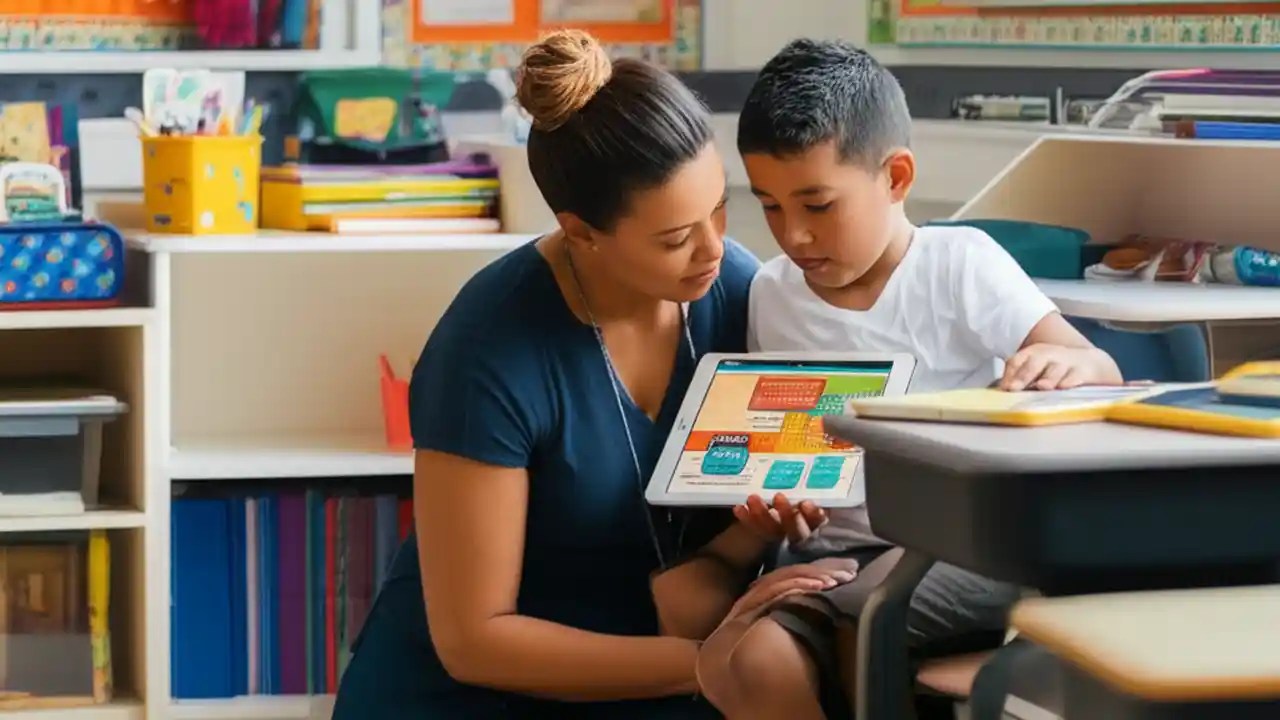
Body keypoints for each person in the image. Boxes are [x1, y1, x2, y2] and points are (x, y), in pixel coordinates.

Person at [332, 30, 857, 719]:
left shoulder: (735, 289)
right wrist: (706, 660)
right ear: (581, 232)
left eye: (720, 210)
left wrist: (767, 524)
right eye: (674, 237)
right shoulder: (488, 349)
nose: (713, 248)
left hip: (676, 671)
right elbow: (474, 641)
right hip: (480, 693)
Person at [695, 39, 1123, 720]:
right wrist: (787, 507)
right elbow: (794, 449)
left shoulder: (958, 264)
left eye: (818, 204)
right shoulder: (772, 294)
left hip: (958, 547)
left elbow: (1097, 368)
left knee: (829, 637)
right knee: (740, 658)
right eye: (771, 207)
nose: (794, 236)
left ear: (895, 179)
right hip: (837, 556)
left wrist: (1069, 364)